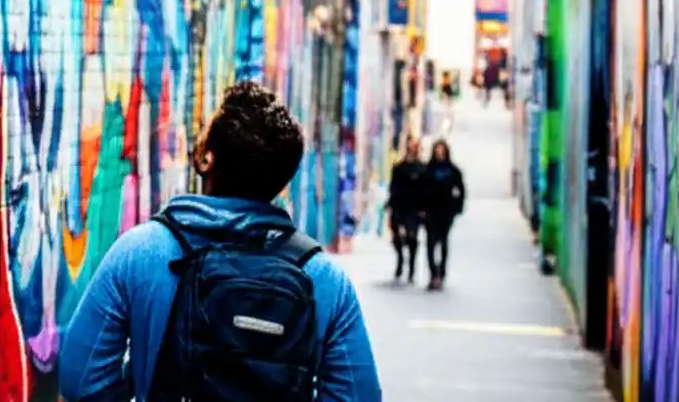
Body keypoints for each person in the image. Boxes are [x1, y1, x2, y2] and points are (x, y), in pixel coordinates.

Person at [58, 81, 382, 401]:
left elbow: (81, 379)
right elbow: (358, 395)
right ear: (282, 181)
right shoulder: (324, 279)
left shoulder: (140, 253)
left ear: (207, 159)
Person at [423, 140, 466, 291]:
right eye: (437, 151)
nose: (439, 154)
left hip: (446, 212)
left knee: (443, 241)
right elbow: (420, 191)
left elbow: (460, 190)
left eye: (442, 151)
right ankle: (433, 273)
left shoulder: (453, 170)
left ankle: (441, 273)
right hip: (430, 211)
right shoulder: (428, 169)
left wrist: (457, 208)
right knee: (430, 243)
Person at [387, 138, 426, 283]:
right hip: (398, 207)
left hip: (414, 209)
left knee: (412, 238)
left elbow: (426, 191)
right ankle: (400, 261)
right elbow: (393, 188)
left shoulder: (422, 169)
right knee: (397, 237)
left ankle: (411, 267)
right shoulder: (398, 168)